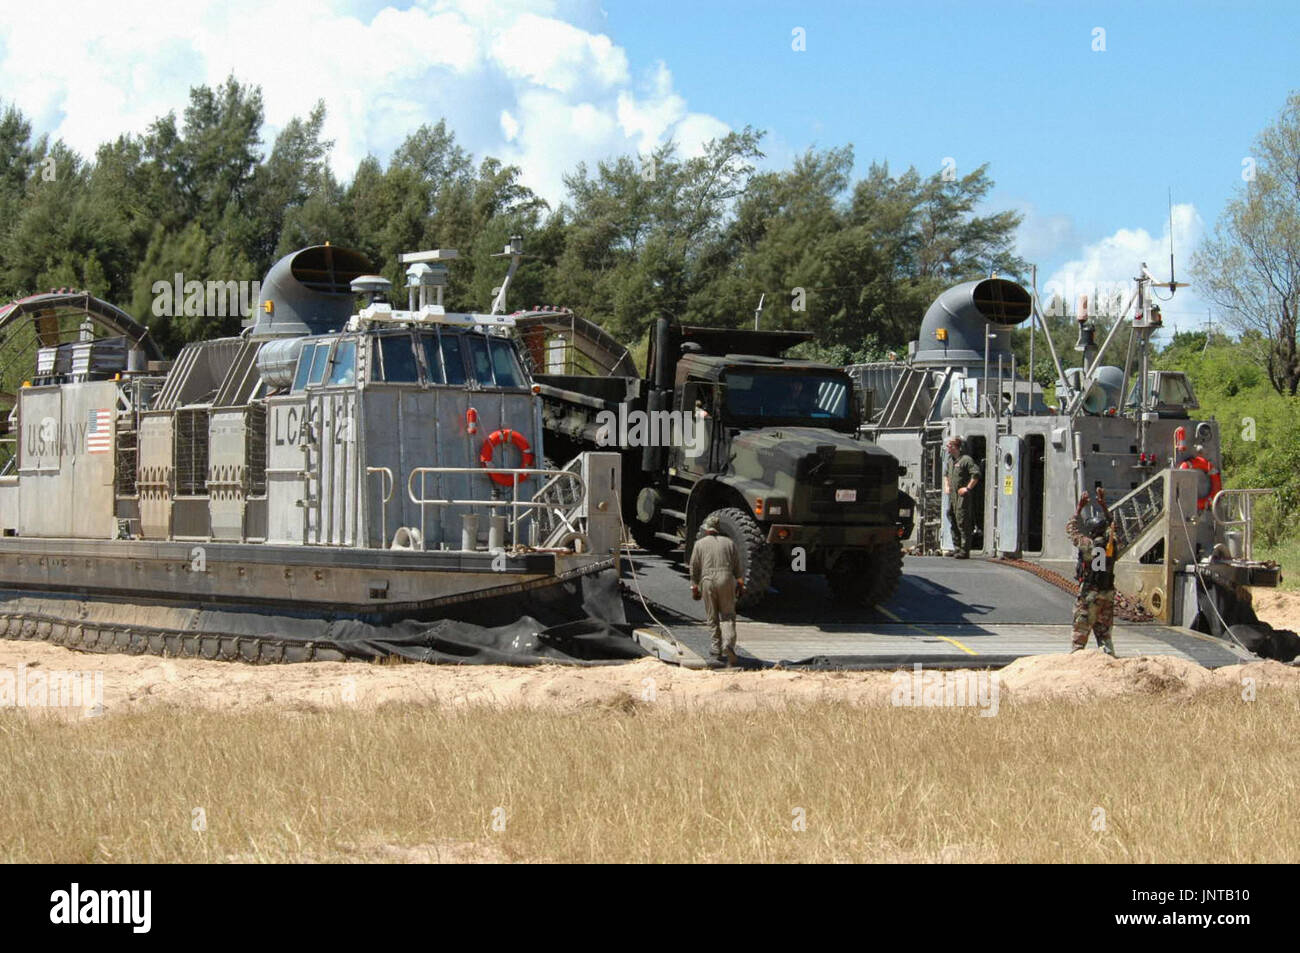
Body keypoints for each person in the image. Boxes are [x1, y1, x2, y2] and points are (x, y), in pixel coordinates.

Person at [1066, 488, 1119, 657]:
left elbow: (1071, 529)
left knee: (1080, 632)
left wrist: (1079, 508)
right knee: (1104, 634)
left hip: (1089, 594)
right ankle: (1109, 660)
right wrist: (1104, 506)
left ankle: (1076, 658)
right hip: (1107, 594)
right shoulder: (1112, 546)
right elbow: (1113, 526)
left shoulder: (1087, 545)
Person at [690, 514, 744, 666]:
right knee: (727, 616)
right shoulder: (729, 543)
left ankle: (715, 649)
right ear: (718, 529)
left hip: (707, 580)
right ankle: (728, 644)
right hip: (726, 579)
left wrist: (694, 586)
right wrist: (740, 584)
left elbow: (694, 567)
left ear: (707, 530)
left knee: (712, 616)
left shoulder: (699, 544)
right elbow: (738, 567)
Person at [943, 436, 980, 558]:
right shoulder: (950, 460)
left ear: (955, 447)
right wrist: (947, 486)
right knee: (952, 519)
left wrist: (967, 488)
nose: (947, 447)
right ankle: (957, 547)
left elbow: (976, 474)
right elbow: (946, 474)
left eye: (949, 445)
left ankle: (964, 550)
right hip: (952, 496)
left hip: (962, 496)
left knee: (962, 521)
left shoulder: (966, 460)